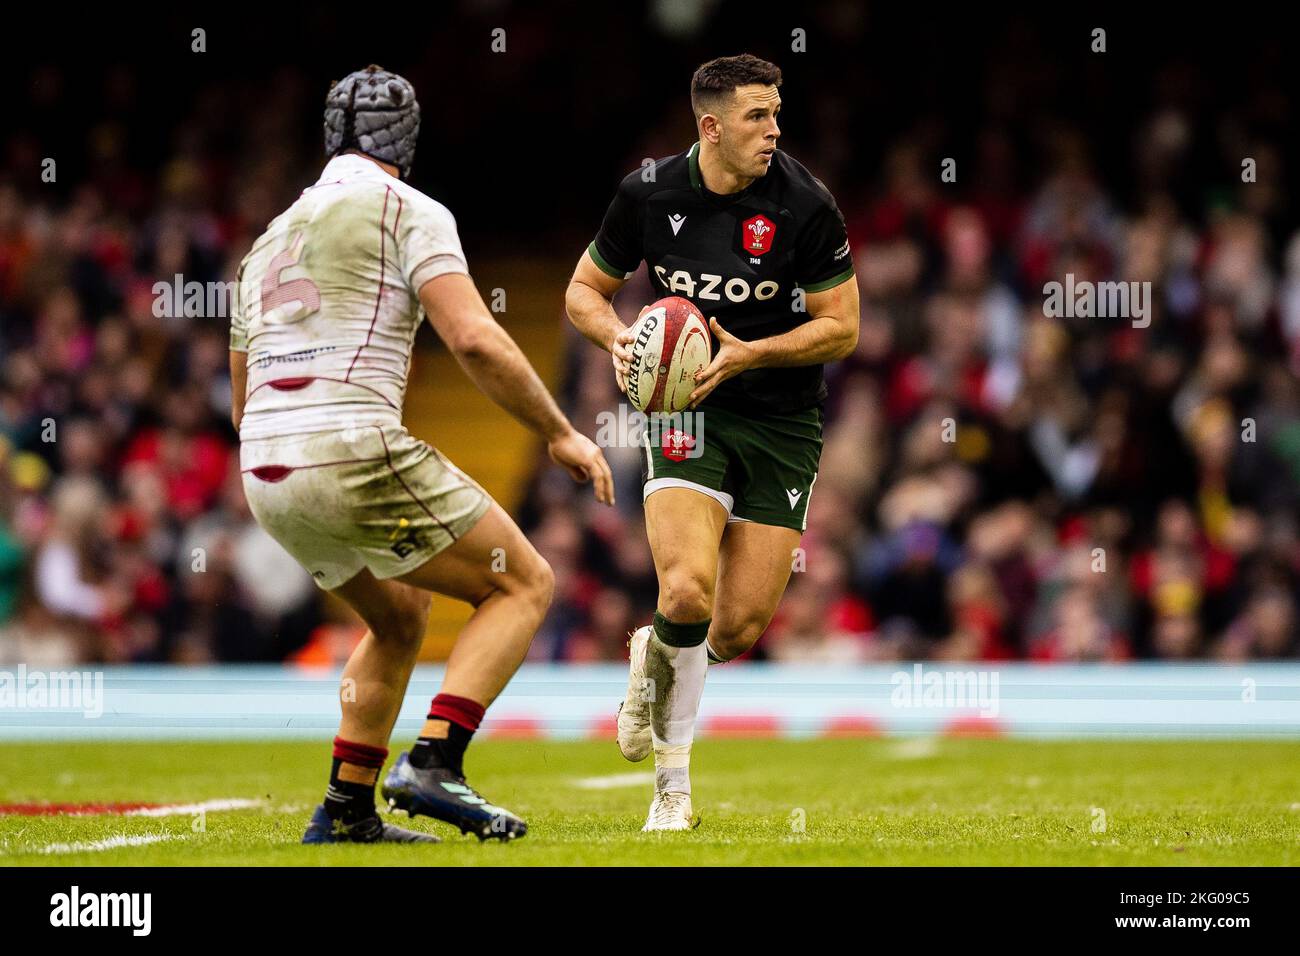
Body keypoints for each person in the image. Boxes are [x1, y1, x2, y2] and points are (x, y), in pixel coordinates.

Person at [229, 65, 614, 844]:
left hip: (265, 469)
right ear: (405, 138)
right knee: (524, 584)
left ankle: (345, 808)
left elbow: (243, 401)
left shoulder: (266, 240)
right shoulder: (408, 208)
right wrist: (557, 430)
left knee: (401, 615)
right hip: (348, 444)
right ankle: (436, 760)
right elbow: (471, 336)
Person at [565, 54, 859, 830]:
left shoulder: (804, 204)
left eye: (776, 112)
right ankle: (673, 791)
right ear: (712, 126)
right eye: (758, 115)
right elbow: (582, 293)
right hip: (685, 413)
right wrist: (621, 338)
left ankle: (650, 655)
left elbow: (844, 327)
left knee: (730, 627)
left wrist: (750, 353)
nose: (774, 129)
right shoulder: (649, 193)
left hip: (783, 421)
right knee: (687, 590)